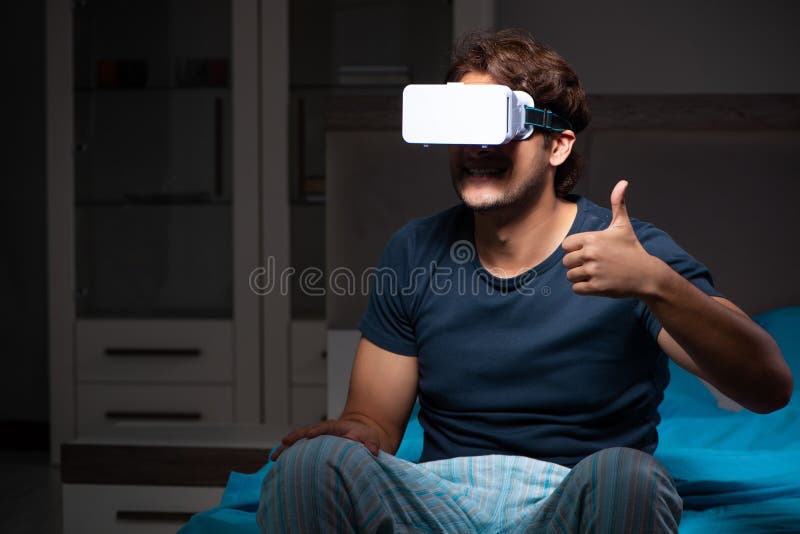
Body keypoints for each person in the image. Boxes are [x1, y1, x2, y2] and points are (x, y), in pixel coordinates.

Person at [258, 29, 792, 533]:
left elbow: (768, 387)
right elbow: (372, 421)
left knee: (632, 476)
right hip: (439, 497)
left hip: (573, 494)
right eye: (462, 126)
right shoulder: (414, 249)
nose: (477, 147)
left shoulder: (630, 253)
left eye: (496, 124)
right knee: (311, 464)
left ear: (557, 147)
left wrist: (657, 284)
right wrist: (354, 435)